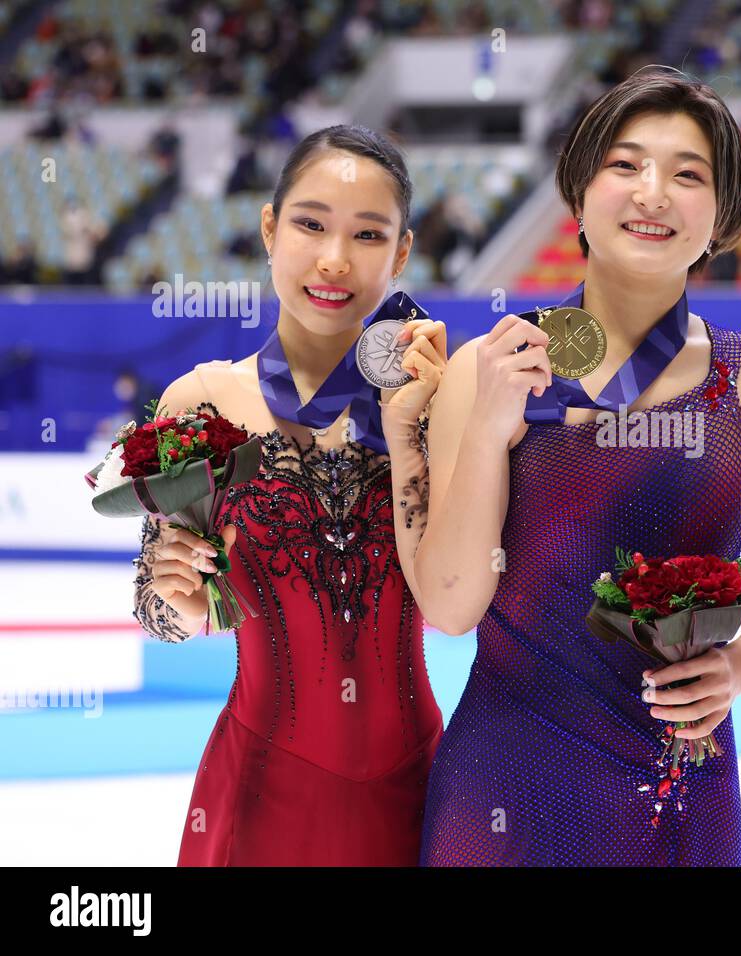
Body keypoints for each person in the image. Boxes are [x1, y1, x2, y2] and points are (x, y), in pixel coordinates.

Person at [412, 66, 741, 866]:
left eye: (688, 174)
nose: (653, 192)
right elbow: (450, 607)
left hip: (681, 780)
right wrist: (491, 427)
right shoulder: (495, 365)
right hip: (508, 783)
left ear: (723, 214)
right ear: (579, 190)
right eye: (625, 165)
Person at [131, 124, 448, 865]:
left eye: (368, 235)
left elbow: (458, 604)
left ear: (401, 253)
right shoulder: (201, 400)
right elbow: (155, 607)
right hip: (260, 788)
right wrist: (176, 601)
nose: (334, 260)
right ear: (270, 228)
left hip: (420, 792)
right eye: (310, 224)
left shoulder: (436, 398)